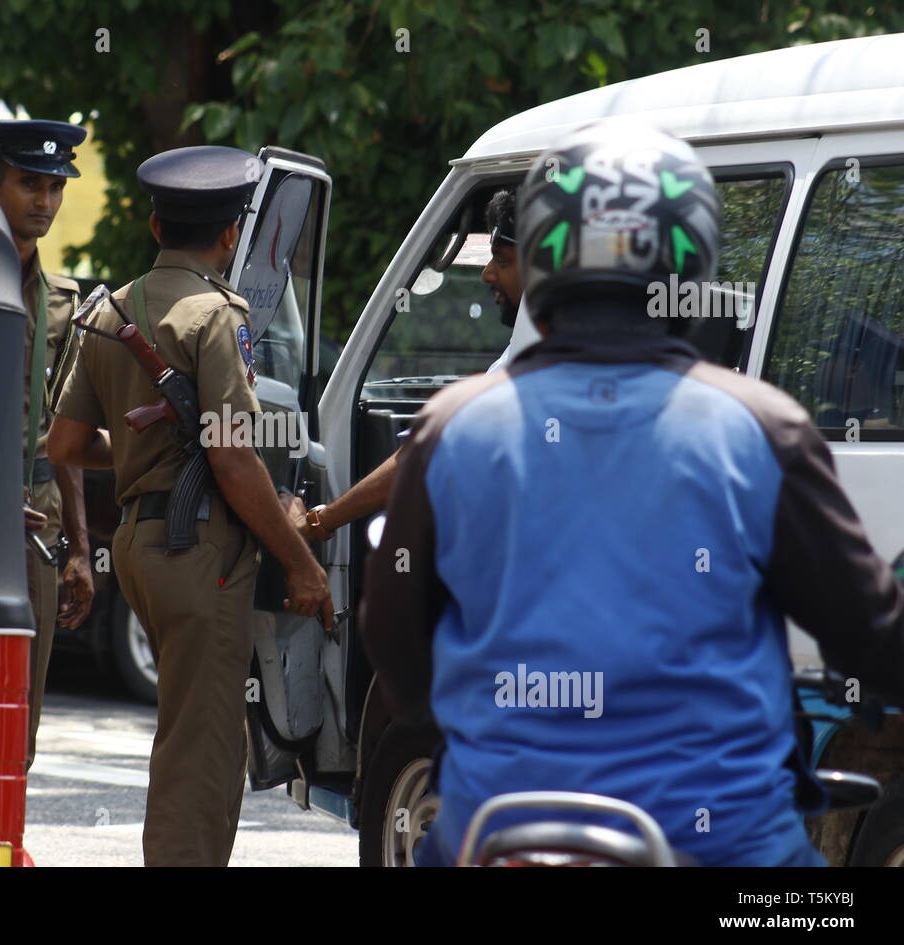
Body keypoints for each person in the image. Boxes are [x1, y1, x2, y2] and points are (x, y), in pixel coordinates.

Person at [362, 120, 904, 867]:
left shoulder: (451, 426)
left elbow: (394, 640)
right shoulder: (762, 427)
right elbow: (869, 636)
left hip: (494, 831)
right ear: (690, 266)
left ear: (544, 263)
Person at [48, 145, 334, 866]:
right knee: (202, 749)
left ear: (153, 224)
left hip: (143, 554)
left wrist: (153, 453)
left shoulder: (109, 310)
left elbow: (67, 441)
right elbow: (235, 459)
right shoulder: (216, 314)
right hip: (198, 551)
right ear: (231, 235)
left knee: (188, 731)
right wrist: (302, 563)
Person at [290, 189, 520, 544]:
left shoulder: (532, 365)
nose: (487, 274)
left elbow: (423, 455)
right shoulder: (533, 350)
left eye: (502, 260)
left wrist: (321, 521)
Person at [0, 119, 95, 771]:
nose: (43, 201)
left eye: (54, 187)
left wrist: (81, 549)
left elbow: (66, 433)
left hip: (38, 520)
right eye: (28, 184)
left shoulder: (63, 304)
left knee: (22, 720)